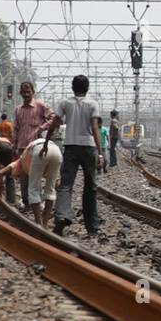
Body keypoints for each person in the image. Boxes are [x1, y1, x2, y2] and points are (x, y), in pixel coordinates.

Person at [47, 75, 103, 237]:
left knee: (66, 185)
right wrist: (100, 153)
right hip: (88, 147)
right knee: (90, 187)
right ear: (87, 88)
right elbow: (94, 128)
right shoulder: (93, 104)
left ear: (72, 88)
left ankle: (62, 216)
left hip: (70, 147)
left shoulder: (65, 103)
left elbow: (54, 123)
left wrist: (45, 142)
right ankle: (92, 227)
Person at [0, 137, 62, 226]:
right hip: (56, 150)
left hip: (39, 150)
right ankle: (44, 224)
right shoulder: (27, 161)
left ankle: (38, 224)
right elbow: (57, 185)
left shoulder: (20, 162)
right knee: (50, 189)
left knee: (33, 190)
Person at [12, 81, 56, 211]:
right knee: (24, 176)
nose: (26, 94)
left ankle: (36, 201)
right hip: (22, 147)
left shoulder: (40, 106)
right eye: (24, 92)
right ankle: (26, 201)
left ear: (33, 92)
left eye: (28, 92)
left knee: (35, 175)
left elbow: (53, 117)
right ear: (20, 93)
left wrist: (41, 128)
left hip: (36, 146)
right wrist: (14, 144)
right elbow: (16, 127)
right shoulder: (18, 109)